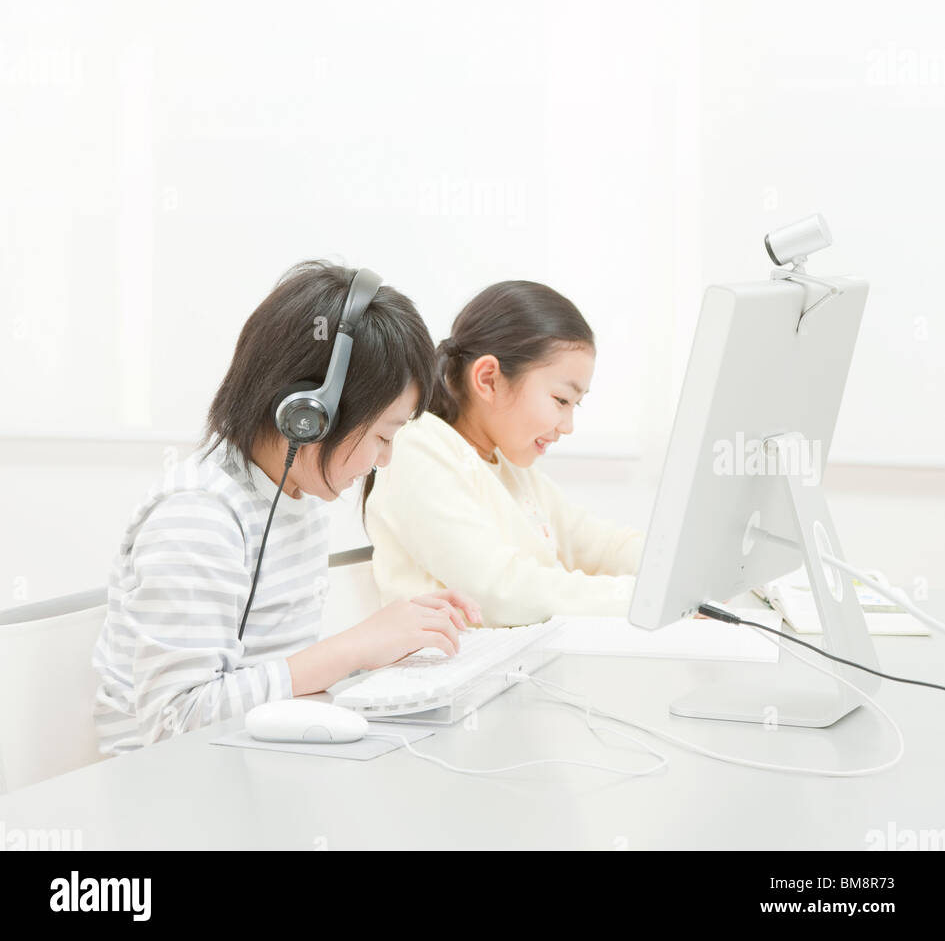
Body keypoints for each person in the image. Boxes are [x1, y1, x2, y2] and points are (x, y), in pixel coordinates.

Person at [92, 260, 481, 754]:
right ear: (307, 414)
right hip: (174, 795)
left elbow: (273, 678)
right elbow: (178, 721)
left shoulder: (295, 496)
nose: (386, 457)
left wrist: (386, 646)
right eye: (384, 434)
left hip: (254, 764)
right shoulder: (197, 516)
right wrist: (354, 648)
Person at [364, 280, 646, 627]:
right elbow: (499, 592)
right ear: (488, 379)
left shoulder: (511, 467)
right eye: (561, 400)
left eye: (576, 404)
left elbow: (598, 545)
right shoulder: (418, 448)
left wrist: (674, 569)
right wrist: (637, 598)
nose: (568, 425)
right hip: (452, 673)